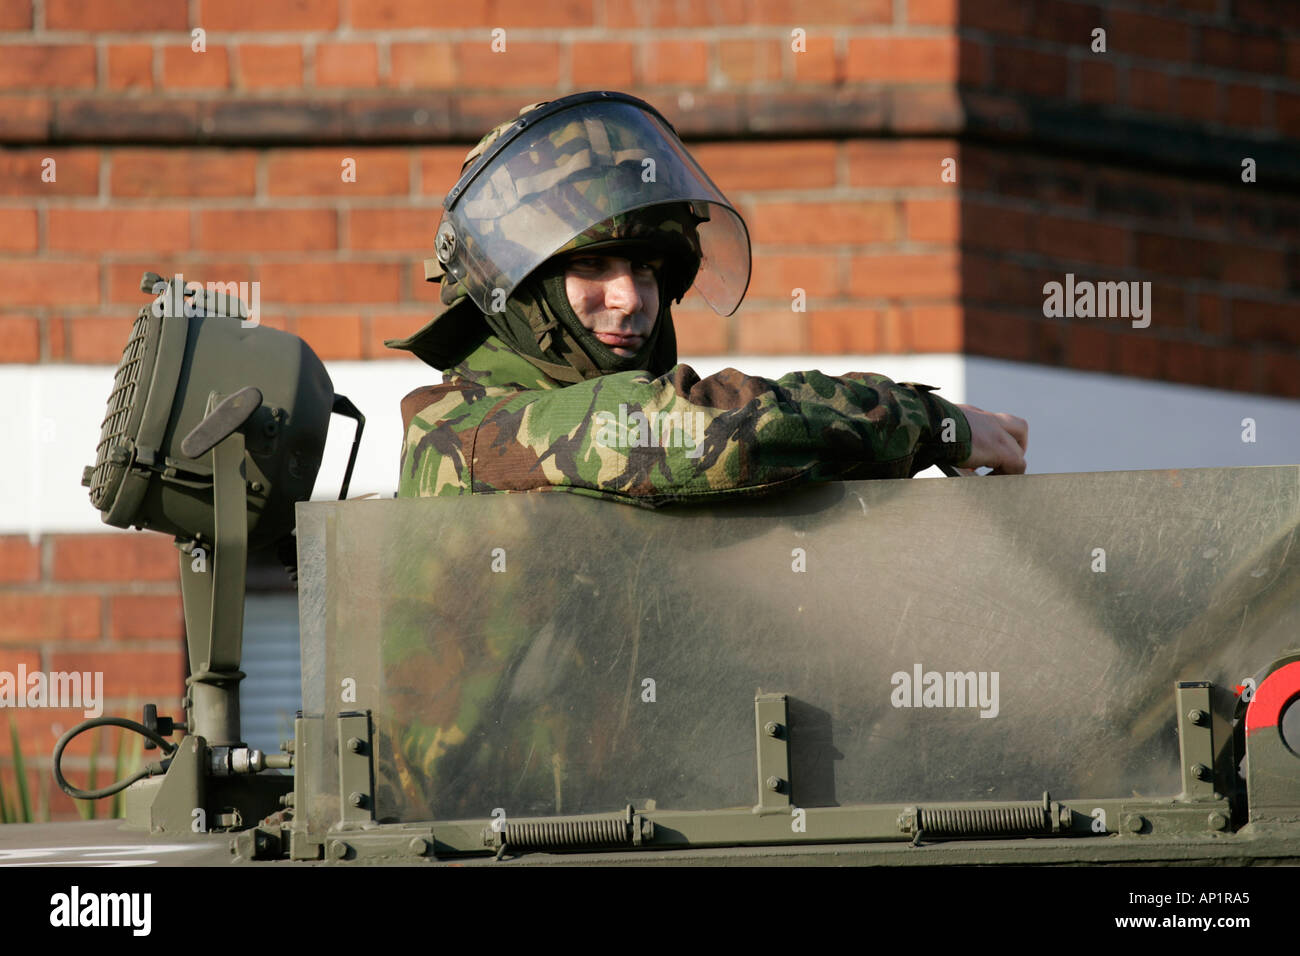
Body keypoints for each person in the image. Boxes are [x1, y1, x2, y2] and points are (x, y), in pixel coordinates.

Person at [387, 91, 1027, 506]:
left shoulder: (613, 446)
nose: (631, 298)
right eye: (591, 267)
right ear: (521, 295)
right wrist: (927, 421)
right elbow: (711, 431)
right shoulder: (463, 430)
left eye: (645, 269)